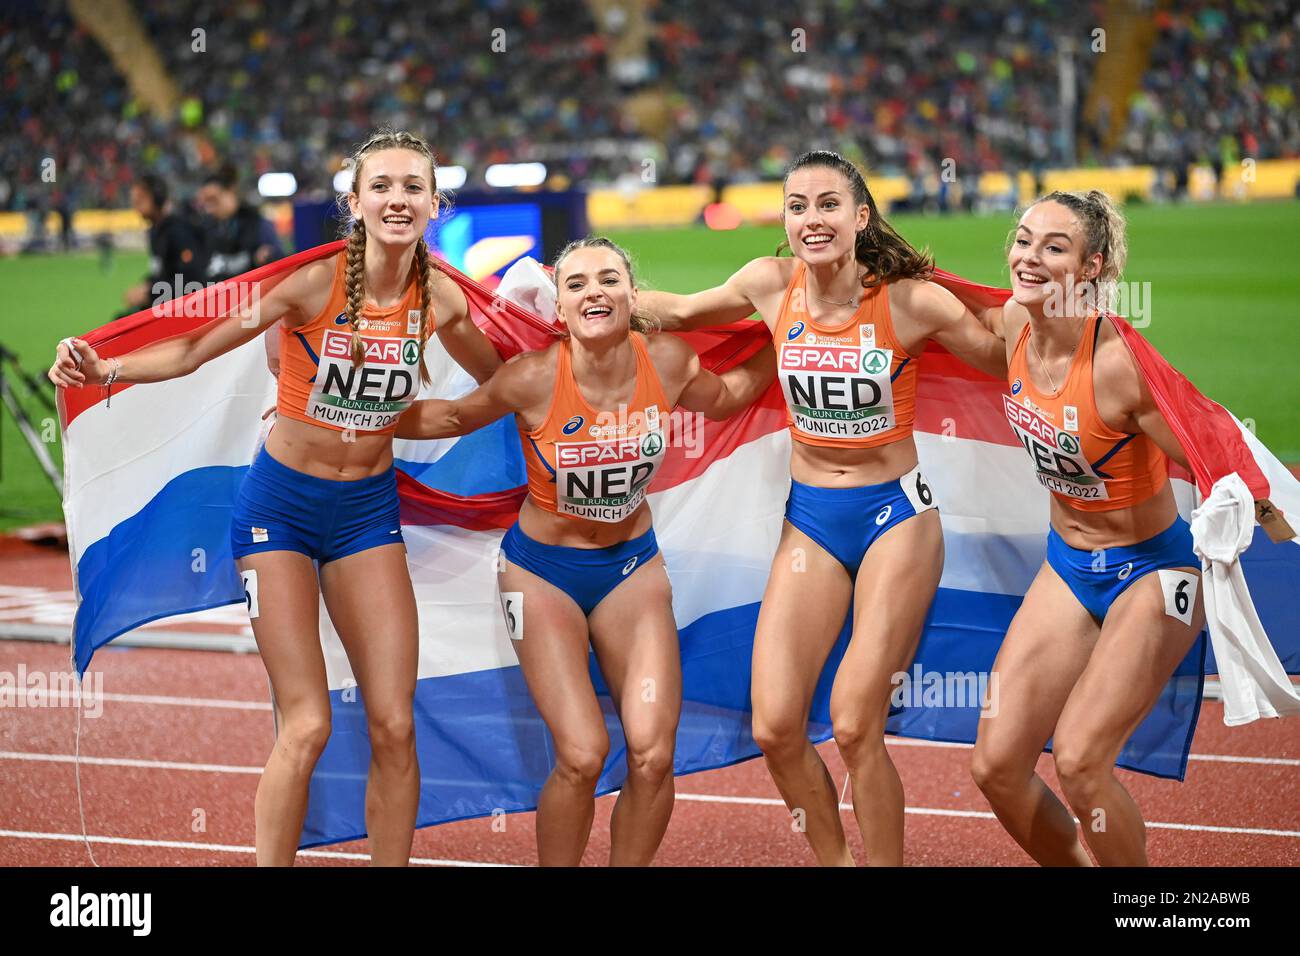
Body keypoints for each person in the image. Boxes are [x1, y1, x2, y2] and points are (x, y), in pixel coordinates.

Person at [49, 129, 501, 866]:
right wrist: (106, 368)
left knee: (393, 724)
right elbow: (196, 348)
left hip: (365, 517)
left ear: (434, 203)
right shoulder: (310, 284)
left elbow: (500, 384)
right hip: (280, 514)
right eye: (381, 186)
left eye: (412, 187)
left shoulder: (441, 297)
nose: (397, 199)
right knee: (309, 723)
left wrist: (561, 356)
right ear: (354, 203)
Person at [635, 150, 1007, 866]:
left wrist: (1056, 307)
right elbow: (679, 312)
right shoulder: (770, 285)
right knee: (776, 726)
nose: (812, 219)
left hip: (896, 519)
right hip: (809, 520)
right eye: (798, 205)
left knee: (854, 723)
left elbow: (1003, 358)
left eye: (828, 204)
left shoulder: (909, 302)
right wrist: (575, 296)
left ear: (860, 217)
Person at [396, 236, 776, 866]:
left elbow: (730, 396)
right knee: (581, 754)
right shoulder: (534, 376)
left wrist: (785, 336)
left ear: (633, 295)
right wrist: (346, 411)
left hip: (631, 570)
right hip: (542, 575)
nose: (593, 292)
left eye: (608, 280)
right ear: (561, 306)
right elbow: (450, 419)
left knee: (654, 755)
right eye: (576, 284)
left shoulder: (669, 361)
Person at [969, 190, 1206, 866]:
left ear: (1092, 266)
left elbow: (1211, 454)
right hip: (1068, 566)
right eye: (1022, 239)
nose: (1029, 257)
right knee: (996, 767)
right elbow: (938, 322)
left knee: (1078, 761)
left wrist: (1267, 508)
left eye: (1054, 247)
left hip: (1152, 572)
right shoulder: (1014, 324)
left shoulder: (1119, 366)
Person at [120, 173, 209, 316]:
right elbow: (163, 272)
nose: (136, 207)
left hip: (187, 312)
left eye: (140, 200)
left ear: (157, 198)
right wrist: (146, 285)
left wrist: (150, 292)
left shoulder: (179, 231)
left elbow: (194, 282)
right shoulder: (157, 231)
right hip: (167, 306)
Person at [196, 164, 285, 282]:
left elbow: (279, 259)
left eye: (214, 200)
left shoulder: (257, 222)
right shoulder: (205, 228)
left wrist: (268, 255)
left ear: (230, 192)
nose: (209, 208)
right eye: (206, 203)